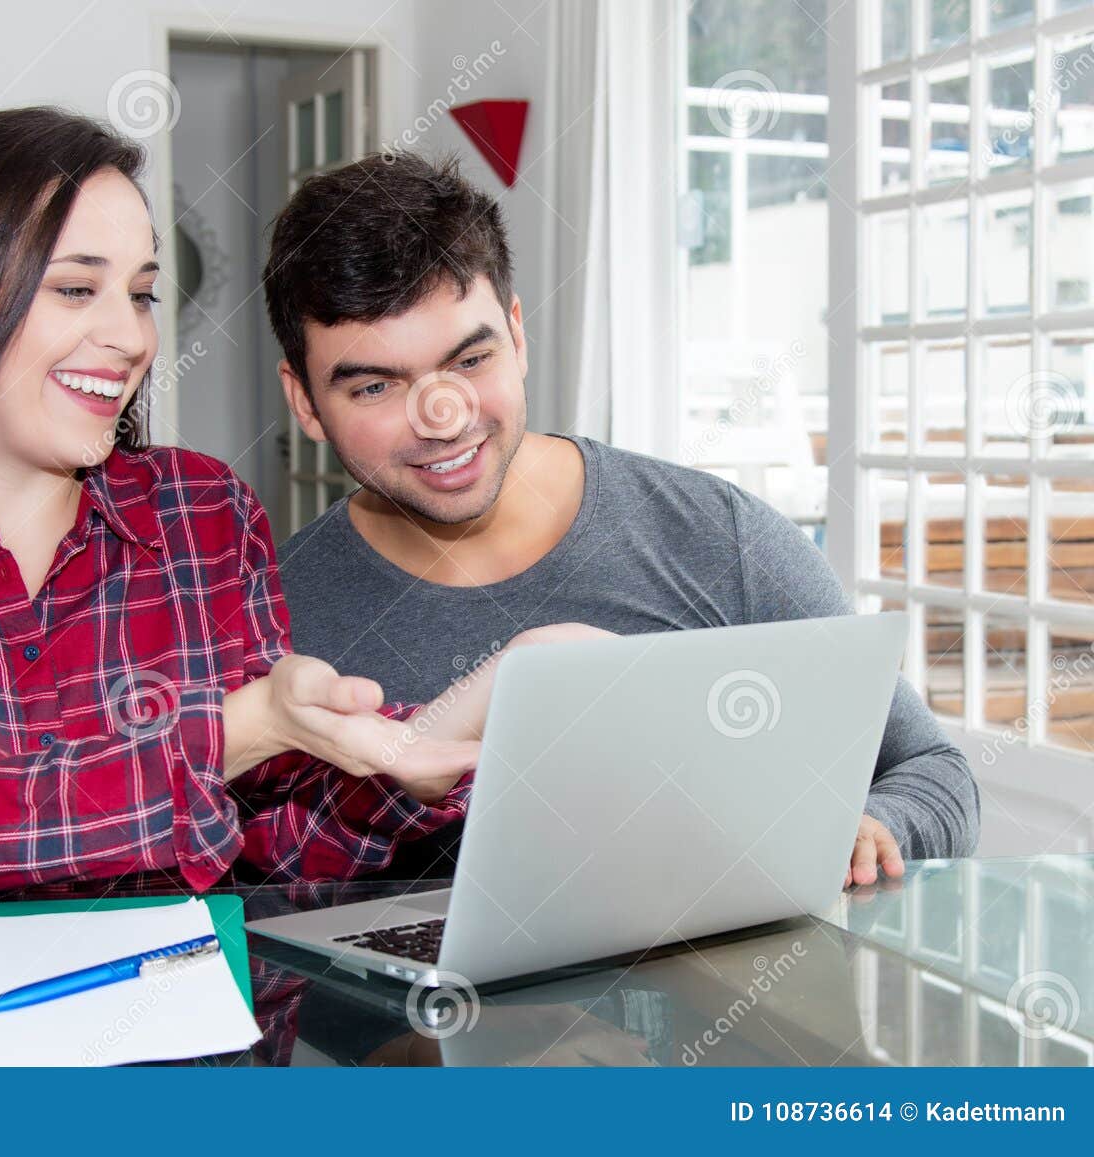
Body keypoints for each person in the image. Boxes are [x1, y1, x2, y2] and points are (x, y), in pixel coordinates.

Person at [0, 109, 512, 904]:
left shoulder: (201, 510)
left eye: (143, 293)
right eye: (77, 288)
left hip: (180, 1025)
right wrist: (246, 725)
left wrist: (453, 721)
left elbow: (275, 845)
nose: (129, 337)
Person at [263, 152, 980, 888]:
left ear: (517, 334)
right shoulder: (270, 612)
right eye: (377, 385)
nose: (443, 419)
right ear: (306, 402)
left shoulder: (714, 538)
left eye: (471, 360)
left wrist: (870, 830)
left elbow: (929, 769)